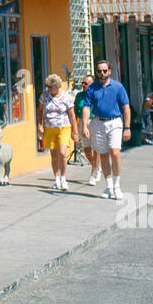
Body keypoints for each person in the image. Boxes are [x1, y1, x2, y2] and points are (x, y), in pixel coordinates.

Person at [79, 60, 131, 200]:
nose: (102, 73)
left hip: (114, 122)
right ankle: (108, 187)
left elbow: (126, 107)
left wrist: (127, 127)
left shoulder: (118, 87)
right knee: (103, 154)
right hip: (98, 122)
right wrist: (84, 126)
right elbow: (86, 108)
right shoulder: (91, 89)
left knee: (114, 152)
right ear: (96, 72)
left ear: (109, 71)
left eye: (104, 71)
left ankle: (117, 186)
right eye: (99, 71)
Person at [36, 74, 77, 191]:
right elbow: (40, 110)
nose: (49, 90)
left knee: (63, 153)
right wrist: (39, 124)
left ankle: (63, 178)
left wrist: (74, 131)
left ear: (57, 87)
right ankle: (57, 178)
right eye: (48, 87)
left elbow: (72, 115)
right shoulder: (45, 95)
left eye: (51, 88)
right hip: (49, 127)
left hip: (63, 127)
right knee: (54, 154)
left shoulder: (66, 97)